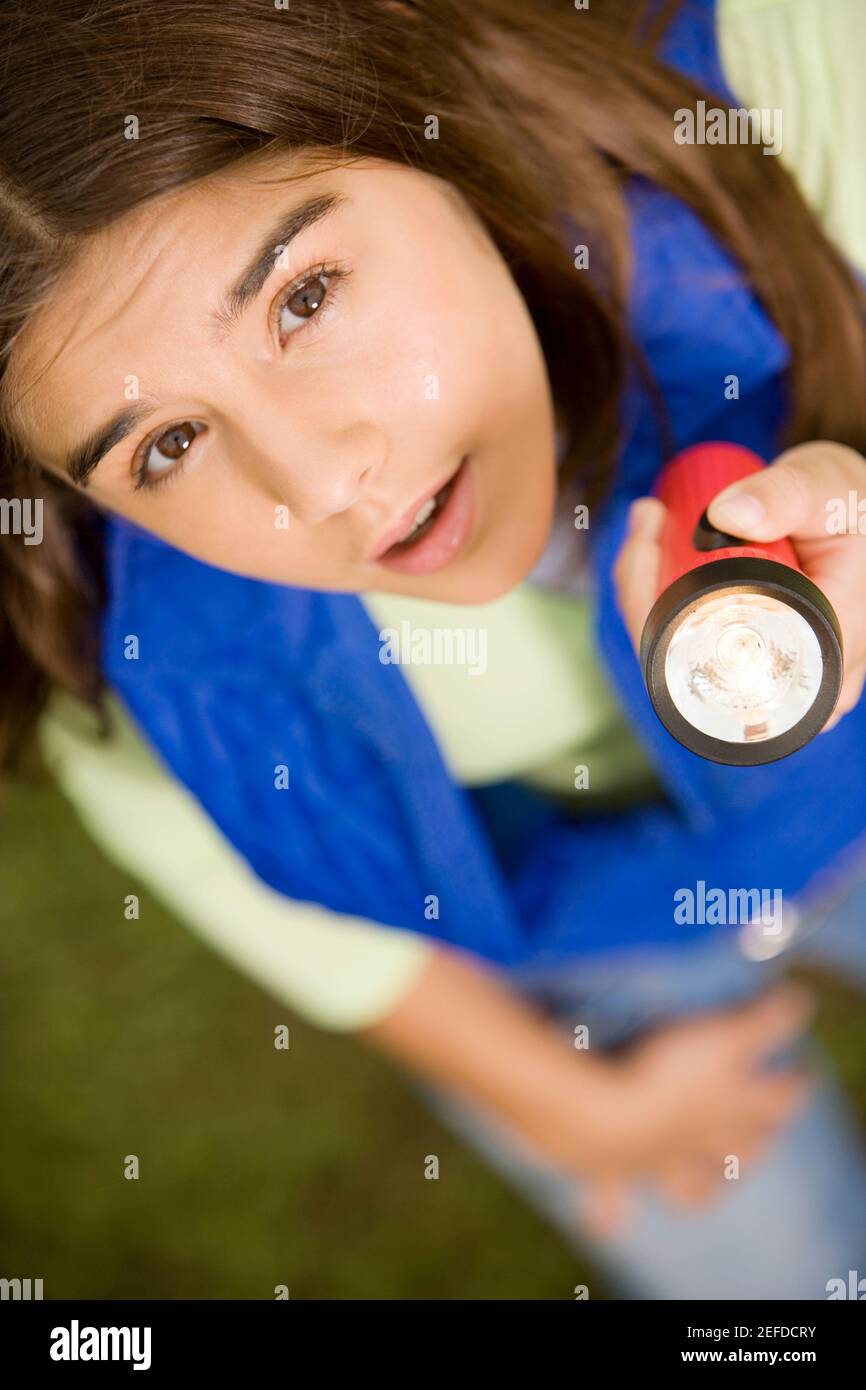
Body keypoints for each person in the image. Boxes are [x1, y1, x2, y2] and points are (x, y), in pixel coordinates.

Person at [2, 0, 866, 1298]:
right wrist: (574, 1107)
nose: (325, 477)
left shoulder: (791, 77)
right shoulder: (147, 662)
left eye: (304, 295)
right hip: (568, 943)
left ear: (426, 137)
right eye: (166, 446)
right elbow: (320, 930)